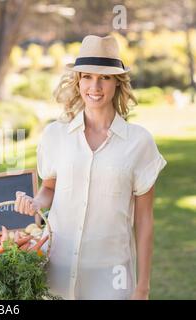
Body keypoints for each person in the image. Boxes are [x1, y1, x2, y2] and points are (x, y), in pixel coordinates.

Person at [14, 35, 167, 300]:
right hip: (56, 273)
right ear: (78, 81)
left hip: (111, 278)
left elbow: (144, 221)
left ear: (117, 83)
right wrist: (35, 202)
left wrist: (143, 287)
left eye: (104, 78)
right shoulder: (55, 136)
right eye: (87, 76)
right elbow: (49, 188)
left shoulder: (139, 142)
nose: (94, 86)